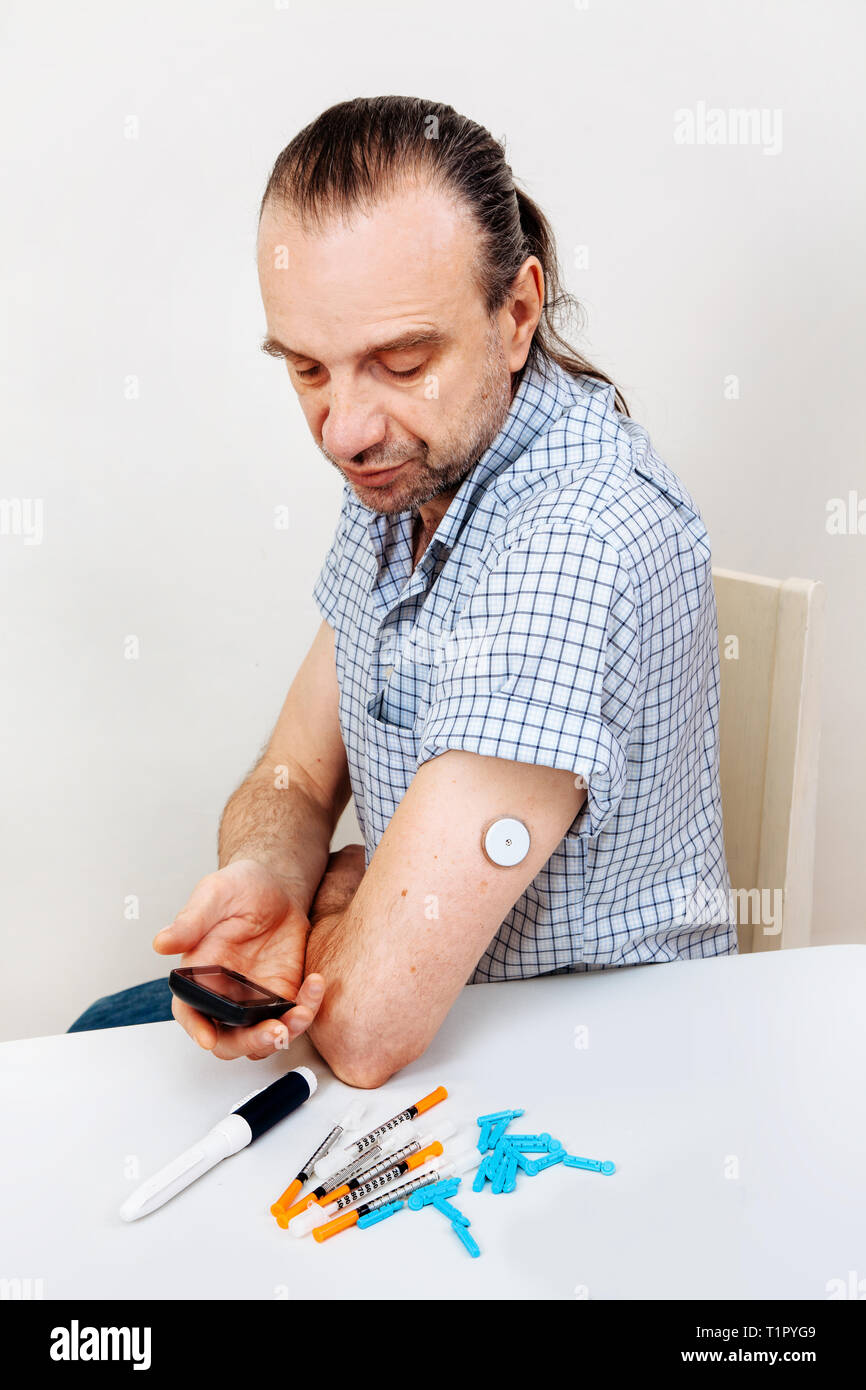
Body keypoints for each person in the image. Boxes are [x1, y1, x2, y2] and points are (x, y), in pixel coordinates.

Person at [69, 96, 736, 1084]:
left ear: (515, 314)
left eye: (400, 361)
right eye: (306, 369)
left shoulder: (575, 535)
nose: (342, 430)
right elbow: (295, 772)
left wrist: (344, 898)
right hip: (437, 1002)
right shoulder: (405, 465)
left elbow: (371, 1026)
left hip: (581, 1061)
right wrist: (272, 878)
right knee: (96, 1038)